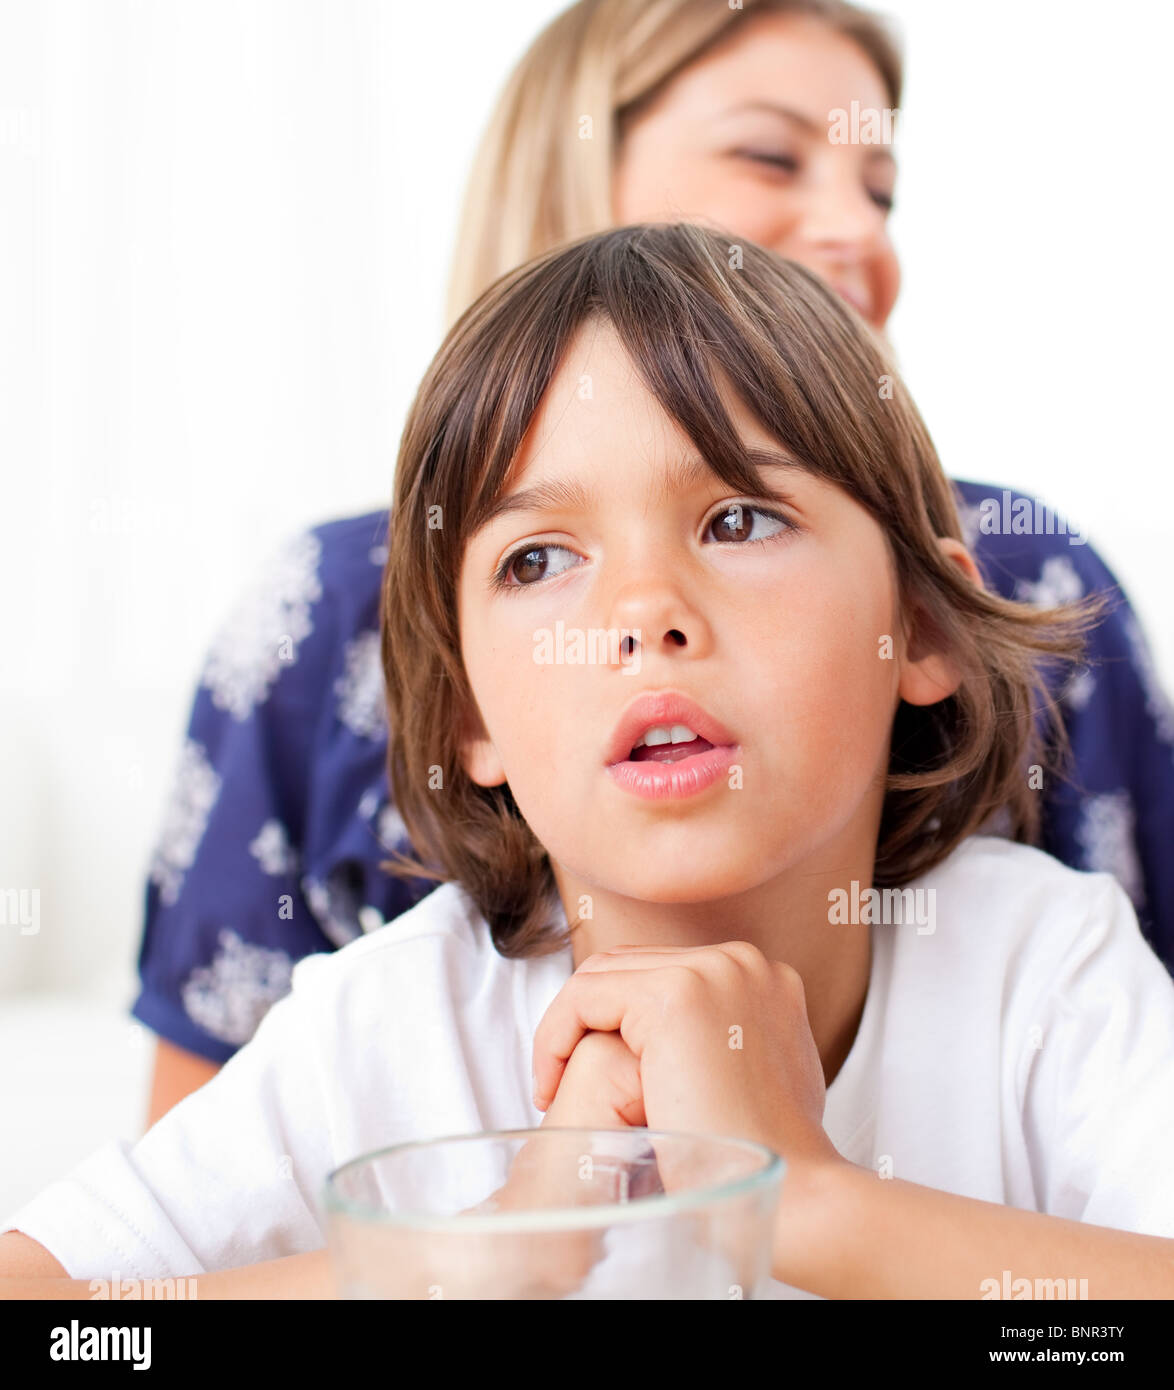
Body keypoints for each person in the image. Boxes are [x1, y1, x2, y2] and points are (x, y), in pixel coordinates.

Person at [4, 223, 1173, 1298]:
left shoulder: (1044, 973)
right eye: (537, 559)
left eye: (738, 521)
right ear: (470, 715)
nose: (641, 612)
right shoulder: (386, 1023)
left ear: (918, 627)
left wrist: (814, 1205)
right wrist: (490, 1248)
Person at [135, 0, 1174, 1128]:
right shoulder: (324, 618)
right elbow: (193, 1207)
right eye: (771, 155)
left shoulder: (1036, 590)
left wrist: (824, 1208)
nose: (859, 235)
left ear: (929, 618)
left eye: (879, 189)